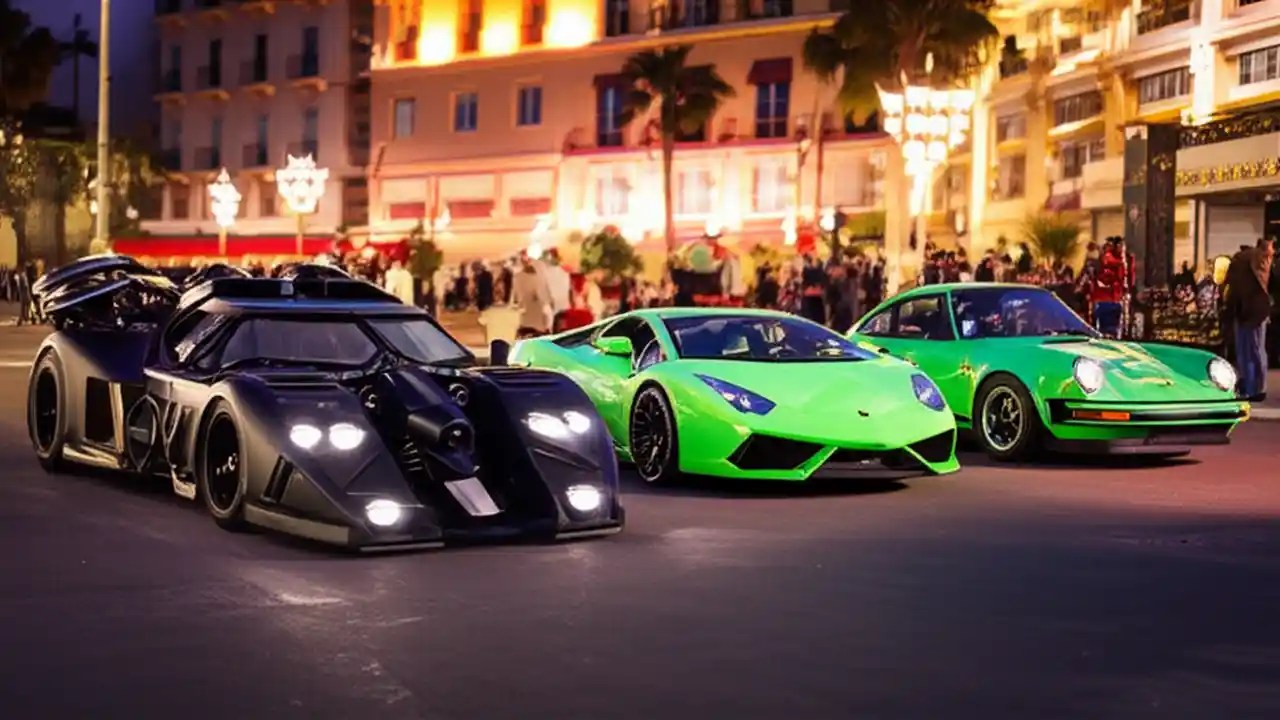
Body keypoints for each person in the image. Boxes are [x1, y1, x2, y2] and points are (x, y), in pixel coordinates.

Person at [1224, 238, 1274, 400]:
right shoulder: (1258, 261)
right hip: (1256, 311)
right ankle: (1257, 387)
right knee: (1256, 350)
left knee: (1246, 351)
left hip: (1245, 312)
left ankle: (1250, 386)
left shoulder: (1241, 261)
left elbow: (1231, 288)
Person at [511, 254, 550, 338]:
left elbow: (515, 300)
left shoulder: (518, 278)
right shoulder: (541, 278)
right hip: (539, 323)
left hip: (527, 320)